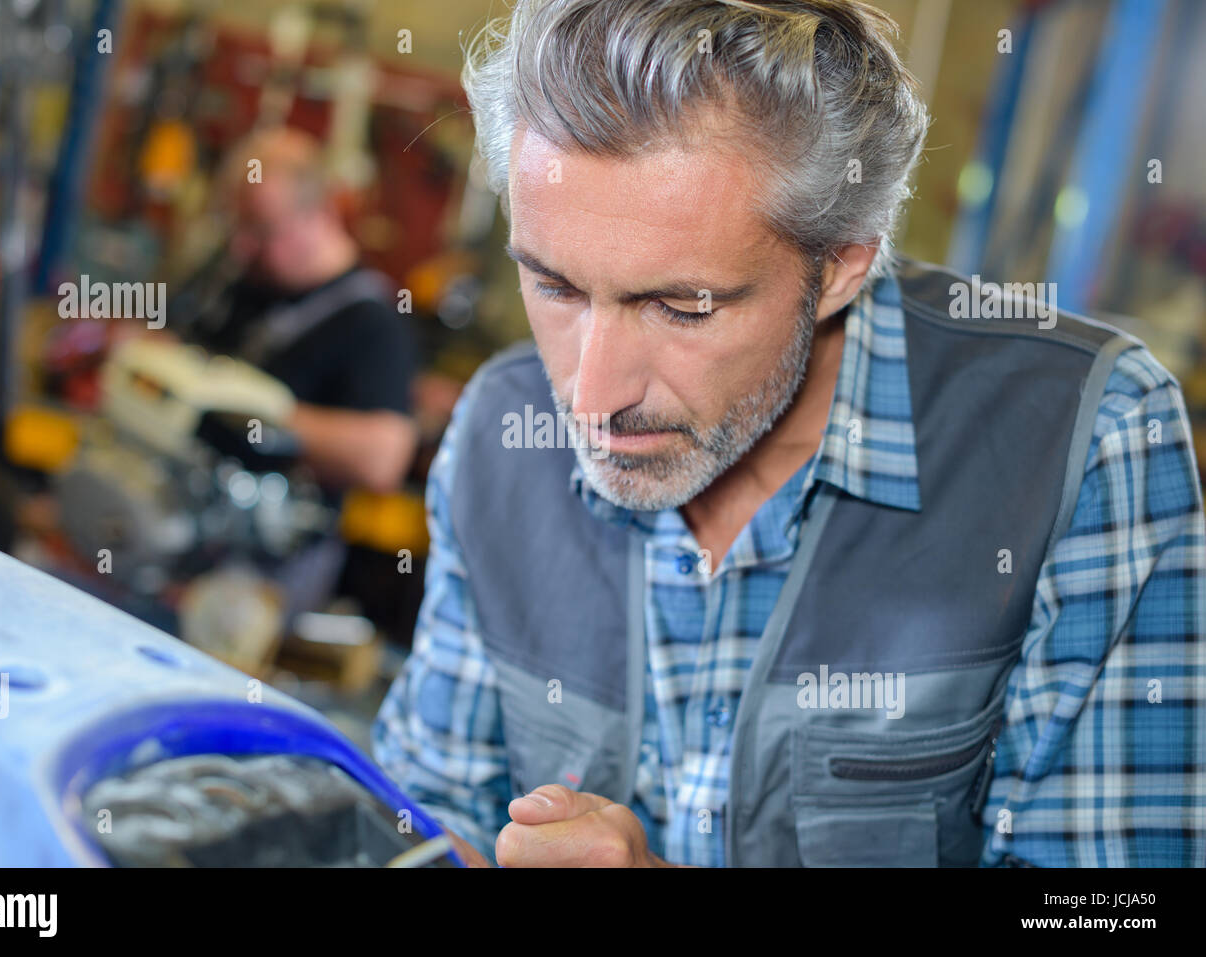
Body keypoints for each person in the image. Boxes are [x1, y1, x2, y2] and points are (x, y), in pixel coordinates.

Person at [370, 0, 1206, 868]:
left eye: (682, 306)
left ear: (841, 262)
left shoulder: (1089, 440)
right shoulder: (500, 439)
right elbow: (429, 813)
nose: (591, 394)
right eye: (555, 287)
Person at [181, 127, 418, 496]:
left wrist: (251, 411)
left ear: (320, 213)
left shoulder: (371, 321)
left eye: (261, 228)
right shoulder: (238, 278)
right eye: (237, 226)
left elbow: (384, 456)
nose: (242, 246)